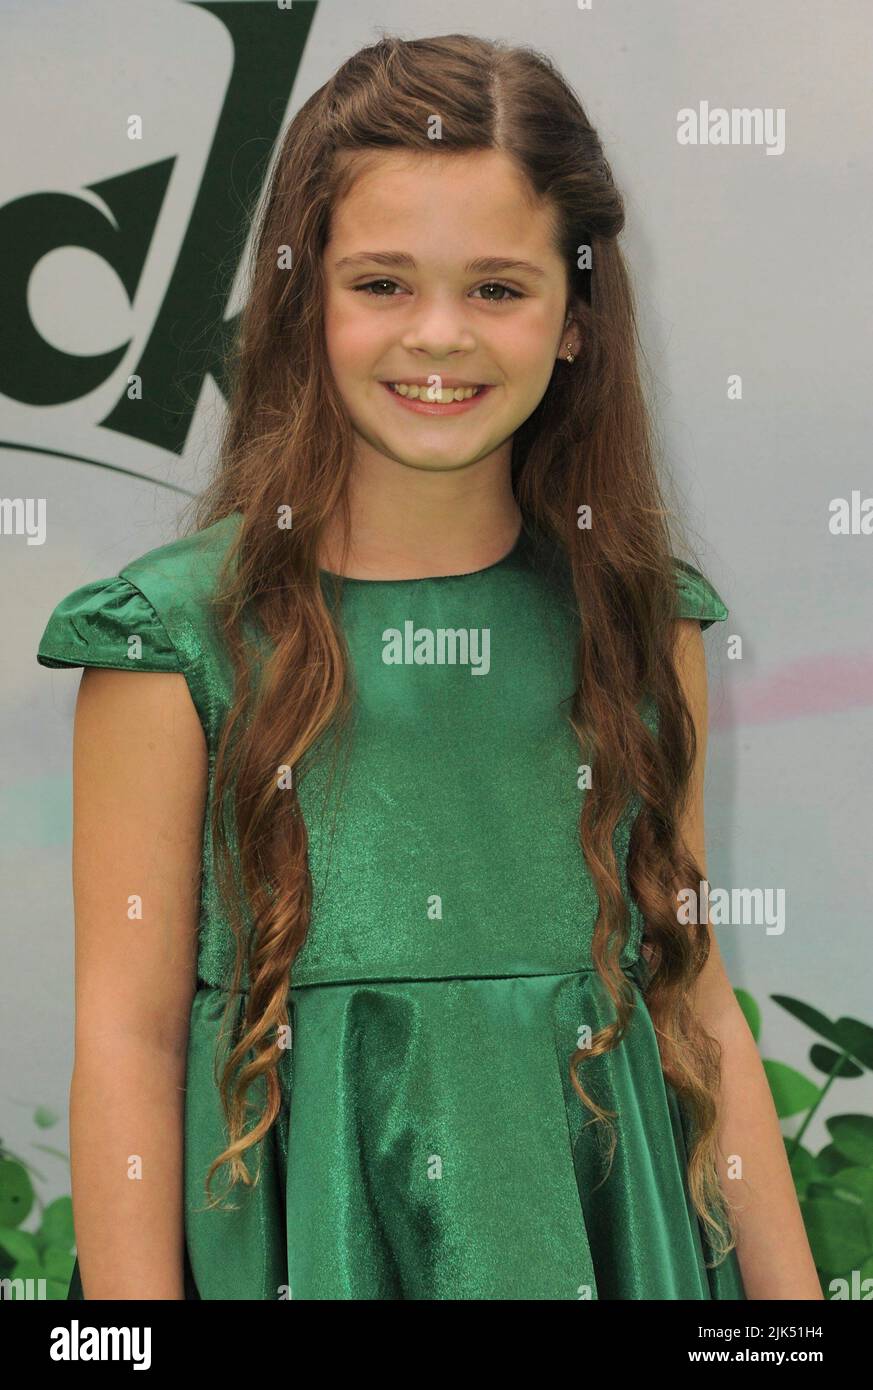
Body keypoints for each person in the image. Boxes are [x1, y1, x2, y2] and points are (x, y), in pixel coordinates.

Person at [36, 33, 821, 1300]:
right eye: (384, 284)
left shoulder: (641, 623)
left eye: (500, 288)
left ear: (576, 318)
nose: (441, 337)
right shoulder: (168, 641)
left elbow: (697, 1005)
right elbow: (126, 1040)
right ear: (301, 303)